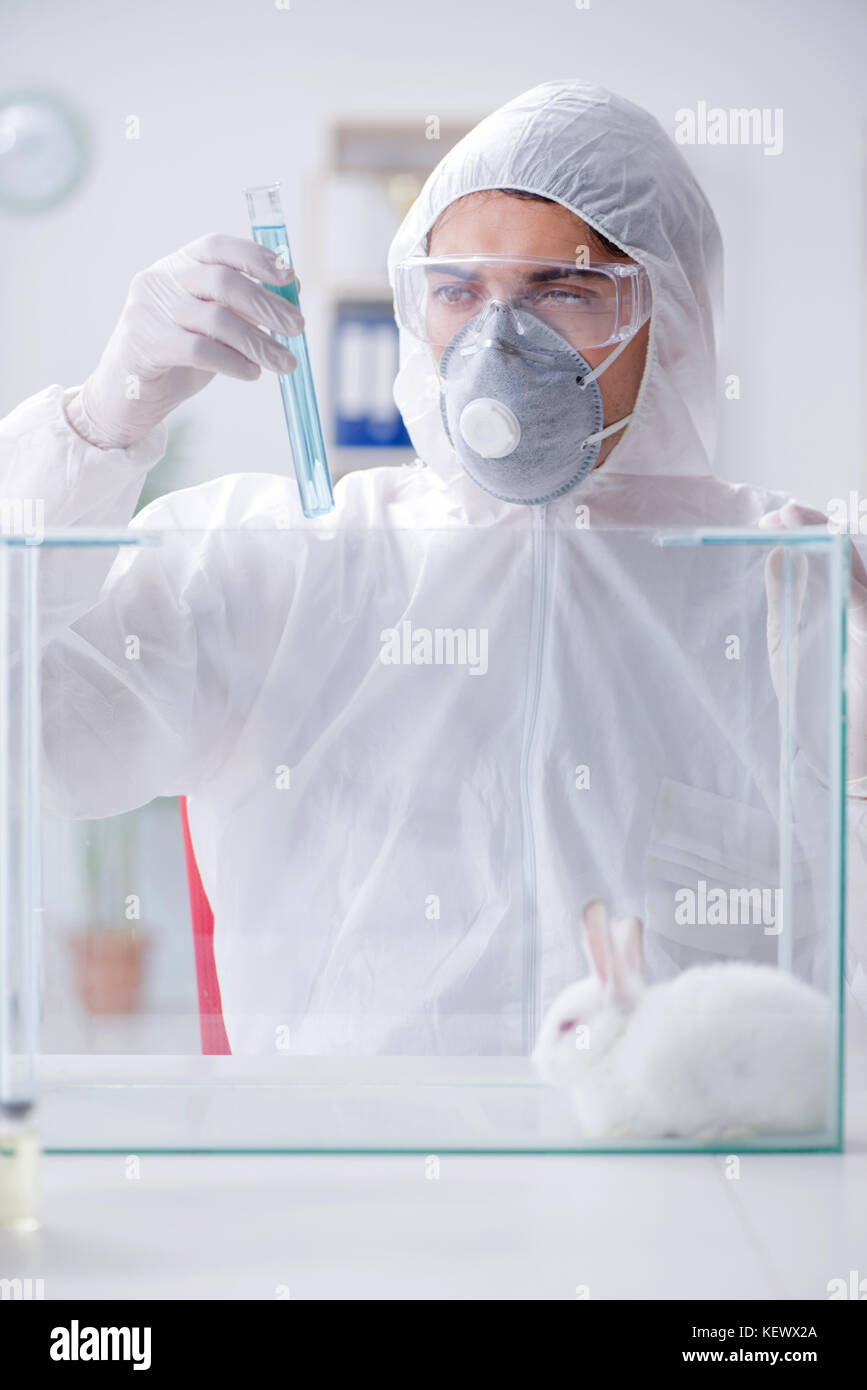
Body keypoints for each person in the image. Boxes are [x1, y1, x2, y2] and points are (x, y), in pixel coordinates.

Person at [1, 79, 864, 1055]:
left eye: (567, 291)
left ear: (674, 315)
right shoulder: (293, 563)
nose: (501, 340)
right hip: (355, 1178)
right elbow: (29, 733)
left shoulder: (778, 577)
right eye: (460, 290)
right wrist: (98, 425)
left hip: (680, 1177)